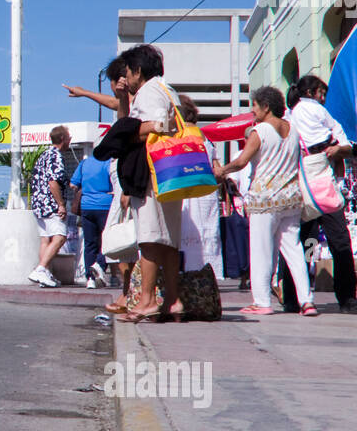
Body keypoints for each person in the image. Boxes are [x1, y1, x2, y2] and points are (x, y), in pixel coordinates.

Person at [214, 86, 318, 316]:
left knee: (261, 251)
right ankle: (307, 301)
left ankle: (261, 302)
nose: (252, 111)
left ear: (266, 106)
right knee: (294, 250)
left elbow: (241, 161)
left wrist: (222, 170)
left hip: (264, 200)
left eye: (254, 106)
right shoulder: (293, 130)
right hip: (290, 198)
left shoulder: (259, 131)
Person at [281, 75, 357, 314]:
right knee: (339, 240)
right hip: (323, 185)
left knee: (303, 243)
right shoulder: (316, 112)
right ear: (312, 92)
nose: (323, 97)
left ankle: (292, 297)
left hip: (303, 185)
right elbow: (346, 145)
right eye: (322, 92)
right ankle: (346, 298)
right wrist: (337, 148)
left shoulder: (290, 116)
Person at [70, 56, 138, 311]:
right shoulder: (132, 100)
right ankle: (128, 292)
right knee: (121, 238)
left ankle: (127, 290)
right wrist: (85, 93)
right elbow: (116, 107)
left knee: (120, 237)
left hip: (128, 179)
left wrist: (127, 187)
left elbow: (124, 120)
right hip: (123, 183)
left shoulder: (139, 100)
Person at [123, 44, 184, 322]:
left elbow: (159, 124)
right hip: (171, 171)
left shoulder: (148, 91)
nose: (126, 77)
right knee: (169, 239)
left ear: (138, 71)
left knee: (148, 238)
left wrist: (129, 131)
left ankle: (147, 300)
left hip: (152, 173)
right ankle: (173, 300)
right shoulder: (167, 89)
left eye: (128, 71)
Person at [177, 95, 224, 281]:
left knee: (186, 235)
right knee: (207, 235)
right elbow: (218, 170)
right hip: (207, 192)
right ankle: (207, 277)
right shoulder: (205, 137)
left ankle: (187, 277)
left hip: (187, 191)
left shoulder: (181, 135)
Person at [28, 125, 71, 288]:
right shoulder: (56, 156)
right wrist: (61, 204)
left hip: (39, 204)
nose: (70, 140)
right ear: (62, 139)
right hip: (51, 204)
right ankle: (40, 269)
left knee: (45, 239)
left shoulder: (44, 155)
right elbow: (53, 182)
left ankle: (44, 274)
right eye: (69, 137)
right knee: (60, 237)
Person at [69, 151, 113, 289]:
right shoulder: (109, 162)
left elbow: (73, 184)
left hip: (86, 206)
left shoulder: (84, 163)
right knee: (107, 240)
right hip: (105, 205)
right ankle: (99, 265)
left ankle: (90, 279)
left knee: (90, 244)